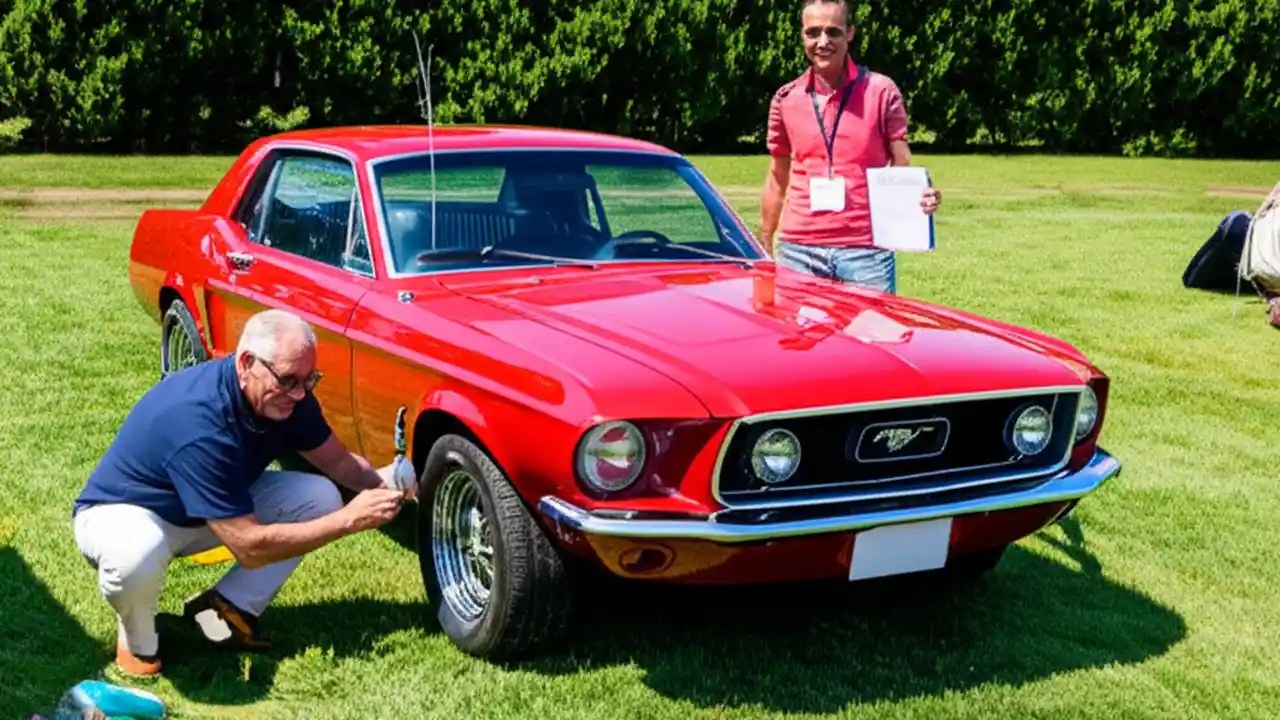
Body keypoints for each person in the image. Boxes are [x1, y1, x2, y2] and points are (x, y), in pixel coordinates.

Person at [71, 309, 413, 677]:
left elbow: (342, 466)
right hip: (125, 515)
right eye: (288, 380)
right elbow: (249, 547)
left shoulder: (288, 398)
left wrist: (394, 485)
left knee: (319, 496)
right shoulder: (198, 421)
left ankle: (225, 609)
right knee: (137, 555)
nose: (299, 393)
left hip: (202, 512)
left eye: (309, 379)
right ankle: (138, 643)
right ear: (246, 363)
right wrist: (349, 520)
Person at [760, 0, 942, 293]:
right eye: (813, 32)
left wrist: (921, 195)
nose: (823, 42)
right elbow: (777, 176)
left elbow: (901, 167)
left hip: (865, 251)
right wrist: (766, 239)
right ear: (802, 35)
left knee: (870, 338)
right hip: (798, 251)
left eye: (833, 32)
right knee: (802, 340)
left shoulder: (881, 92)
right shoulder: (786, 99)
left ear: (850, 34)